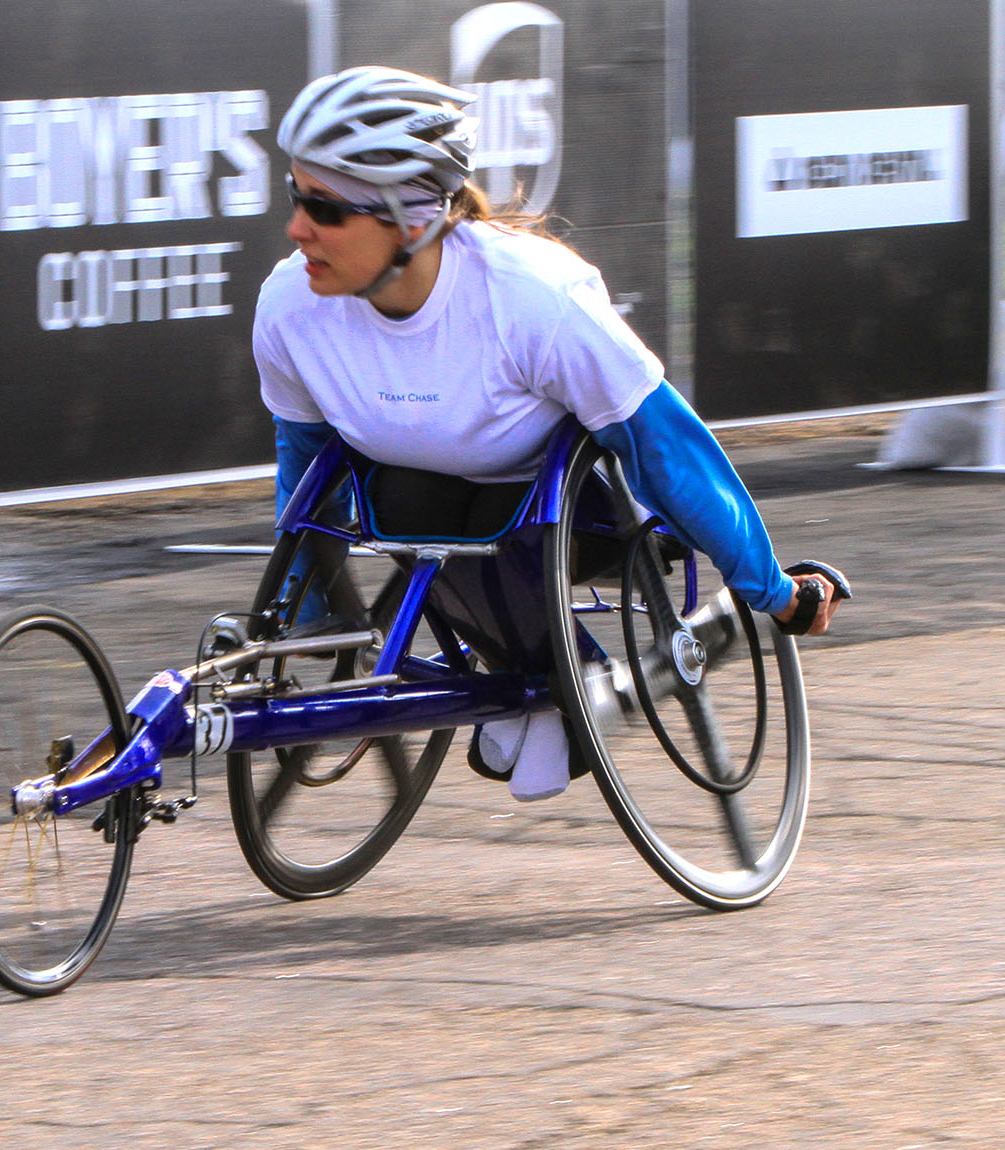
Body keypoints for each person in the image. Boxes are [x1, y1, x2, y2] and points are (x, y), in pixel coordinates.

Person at [252, 66, 843, 798]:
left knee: (441, 504)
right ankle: (540, 676)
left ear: (411, 218)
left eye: (325, 208)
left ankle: (568, 674)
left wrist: (776, 591)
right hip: (423, 527)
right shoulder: (288, 309)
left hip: (578, 519)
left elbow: (669, 449)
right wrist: (308, 618)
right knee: (402, 494)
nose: (296, 227)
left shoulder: (533, 300)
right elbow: (306, 468)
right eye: (294, 196)